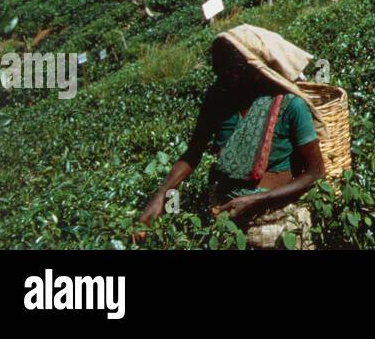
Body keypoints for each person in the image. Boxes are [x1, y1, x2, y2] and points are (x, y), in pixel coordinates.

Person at [137, 25, 326, 248]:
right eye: (219, 73)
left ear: (255, 71)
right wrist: (162, 194)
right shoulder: (217, 98)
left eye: (232, 74)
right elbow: (193, 152)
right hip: (227, 218)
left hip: (277, 219)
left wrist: (257, 199)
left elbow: (315, 172)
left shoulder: (289, 106)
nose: (223, 81)